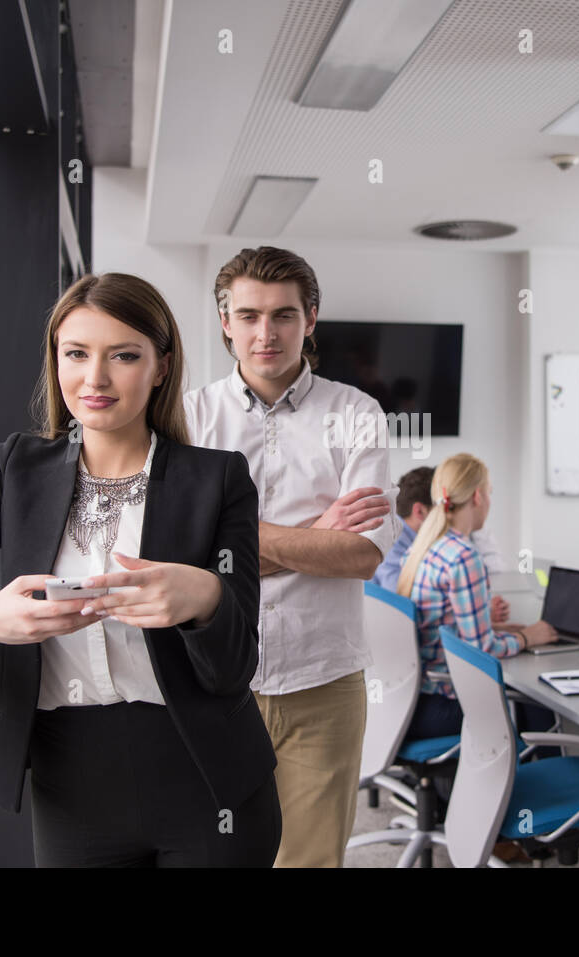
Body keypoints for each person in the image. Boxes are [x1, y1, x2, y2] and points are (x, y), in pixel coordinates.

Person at [0, 272, 280, 866]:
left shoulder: (218, 478)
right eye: (76, 353)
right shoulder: (16, 469)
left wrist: (206, 598)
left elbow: (237, 665)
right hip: (70, 783)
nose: (95, 378)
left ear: (161, 367)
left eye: (124, 356)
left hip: (209, 776)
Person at [185, 246, 399, 868]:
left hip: (323, 683)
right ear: (225, 322)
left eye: (282, 315)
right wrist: (315, 534)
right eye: (248, 315)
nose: (265, 332)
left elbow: (361, 555)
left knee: (309, 861)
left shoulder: (356, 414)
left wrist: (234, 543)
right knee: (212, 855)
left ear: (310, 319)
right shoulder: (190, 418)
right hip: (210, 681)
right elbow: (178, 559)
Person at [396, 453, 558, 740]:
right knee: (538, 700)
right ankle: (537, 778)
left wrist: (500, 627)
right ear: (478, 497)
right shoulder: (463, 556)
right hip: (445, 704)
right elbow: (482, 649)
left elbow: (445, 627)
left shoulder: (425, 547)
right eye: (491, 493)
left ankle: (523, 777)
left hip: (411, 702)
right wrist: (527, 638)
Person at [373, 465, 511, 622]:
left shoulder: (428, 540)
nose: (449, 512)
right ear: (419, 511)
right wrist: (476, 610)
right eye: (443, 506)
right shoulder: (392, 540)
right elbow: (403, 599)